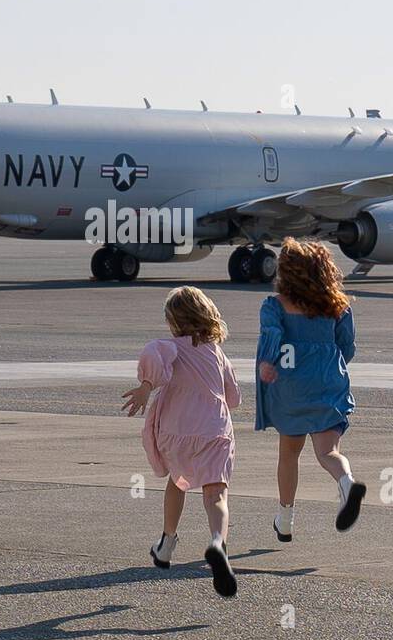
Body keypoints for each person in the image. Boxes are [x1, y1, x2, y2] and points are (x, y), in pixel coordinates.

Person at [123, 286, 240, 598]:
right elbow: (234, 397)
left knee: (179, 481)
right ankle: (218, 542)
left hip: (178, 430)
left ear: (173, 321)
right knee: (216, 494)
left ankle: (167, 544)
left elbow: (154, 353)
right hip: (214, 430)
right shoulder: (217, 352)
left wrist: (147, 385)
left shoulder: (170, 346)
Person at [256, 238, 364, 540]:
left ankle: (286, 518)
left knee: (289, 453)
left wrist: (268, 361)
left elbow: (272, 334)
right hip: (328, 382)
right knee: (328, 451)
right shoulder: (337, 306)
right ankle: (346, 482)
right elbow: (347, 347)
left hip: (291, 385)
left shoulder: (274, 306)